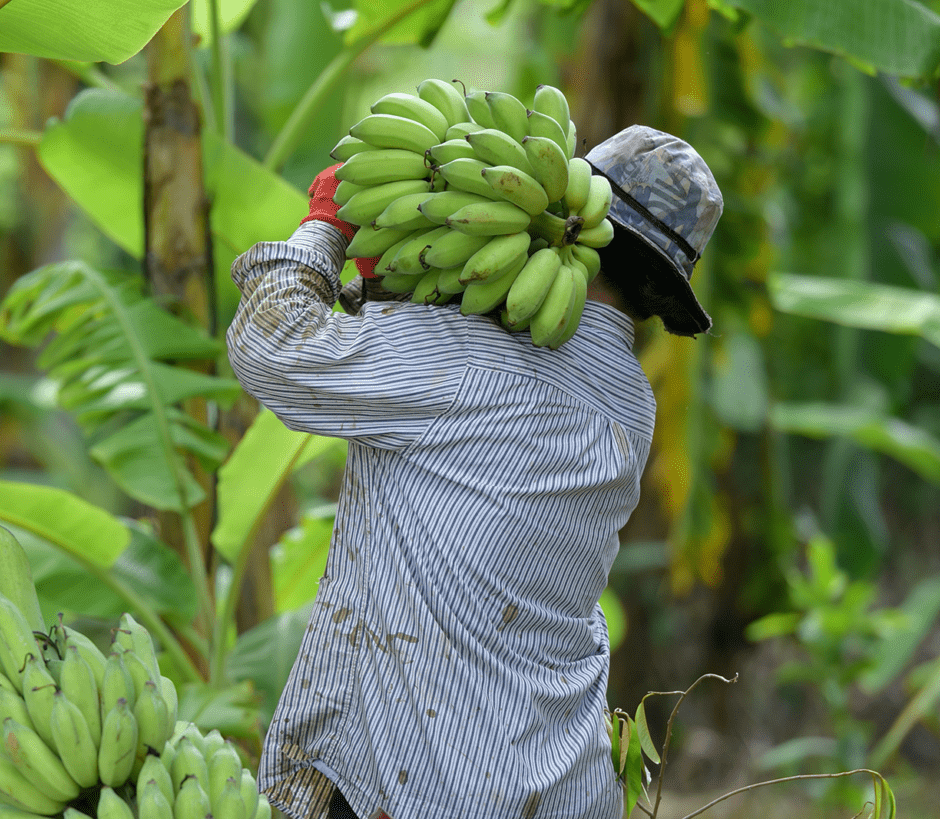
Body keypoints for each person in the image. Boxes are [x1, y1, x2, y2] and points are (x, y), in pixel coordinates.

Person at [226, 125, 723, 819]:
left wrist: (324, 227)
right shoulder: (632, 405)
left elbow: (272, 345)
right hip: (559, 781)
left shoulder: (472, 359)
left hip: (416, 785)